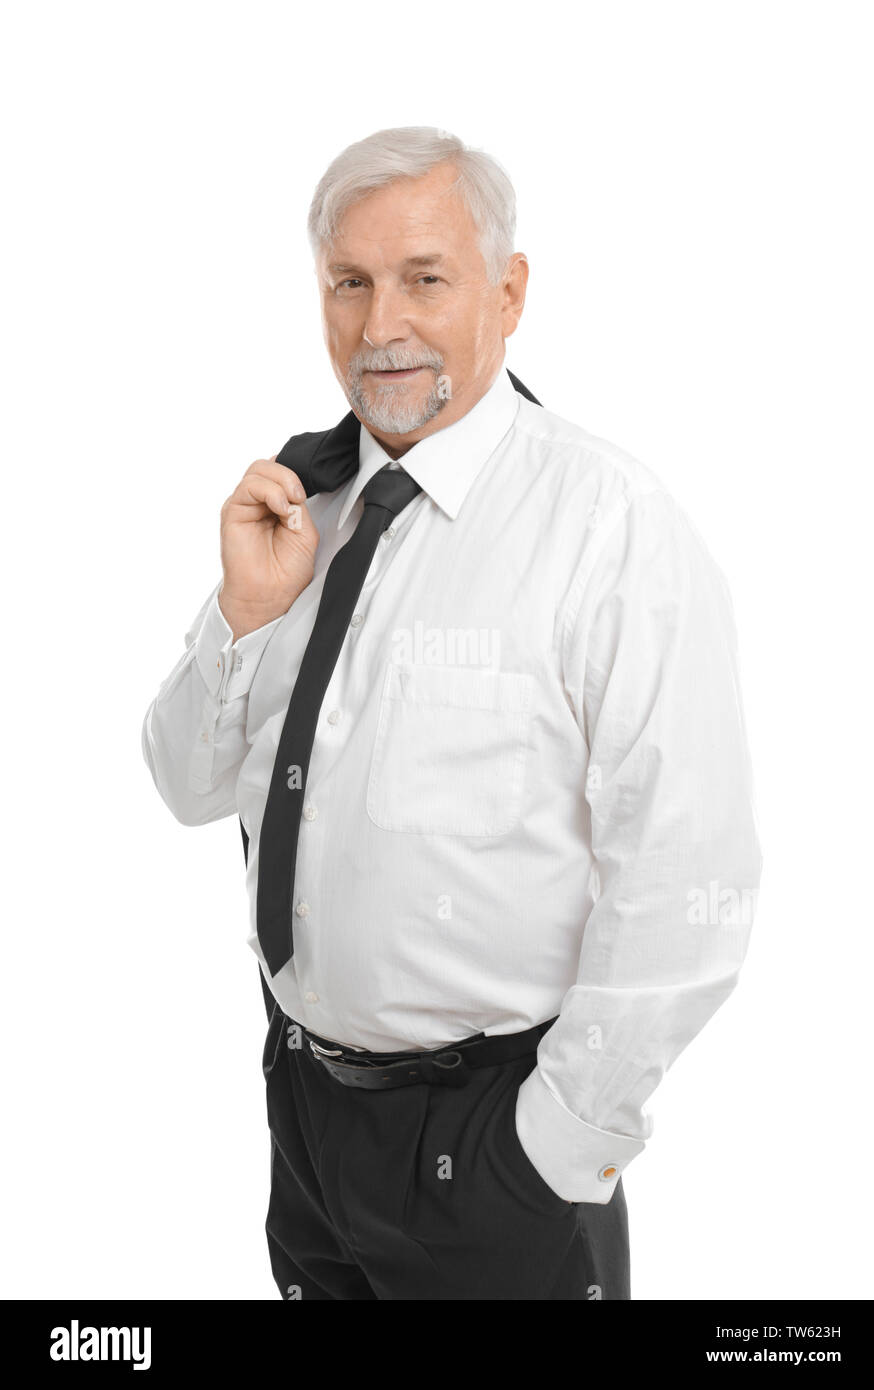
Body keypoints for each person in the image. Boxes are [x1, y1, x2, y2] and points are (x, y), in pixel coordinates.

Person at [141, 125, 761, 1301]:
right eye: (351, 282)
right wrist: (245, 614)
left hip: (490, 1154)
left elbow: (690, 871)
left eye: (426, 278)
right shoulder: (301, 507)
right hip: (308, 1127)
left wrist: (553, 1152)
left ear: (509, 291)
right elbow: (182, 785)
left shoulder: (607, 528)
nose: (382, 328)